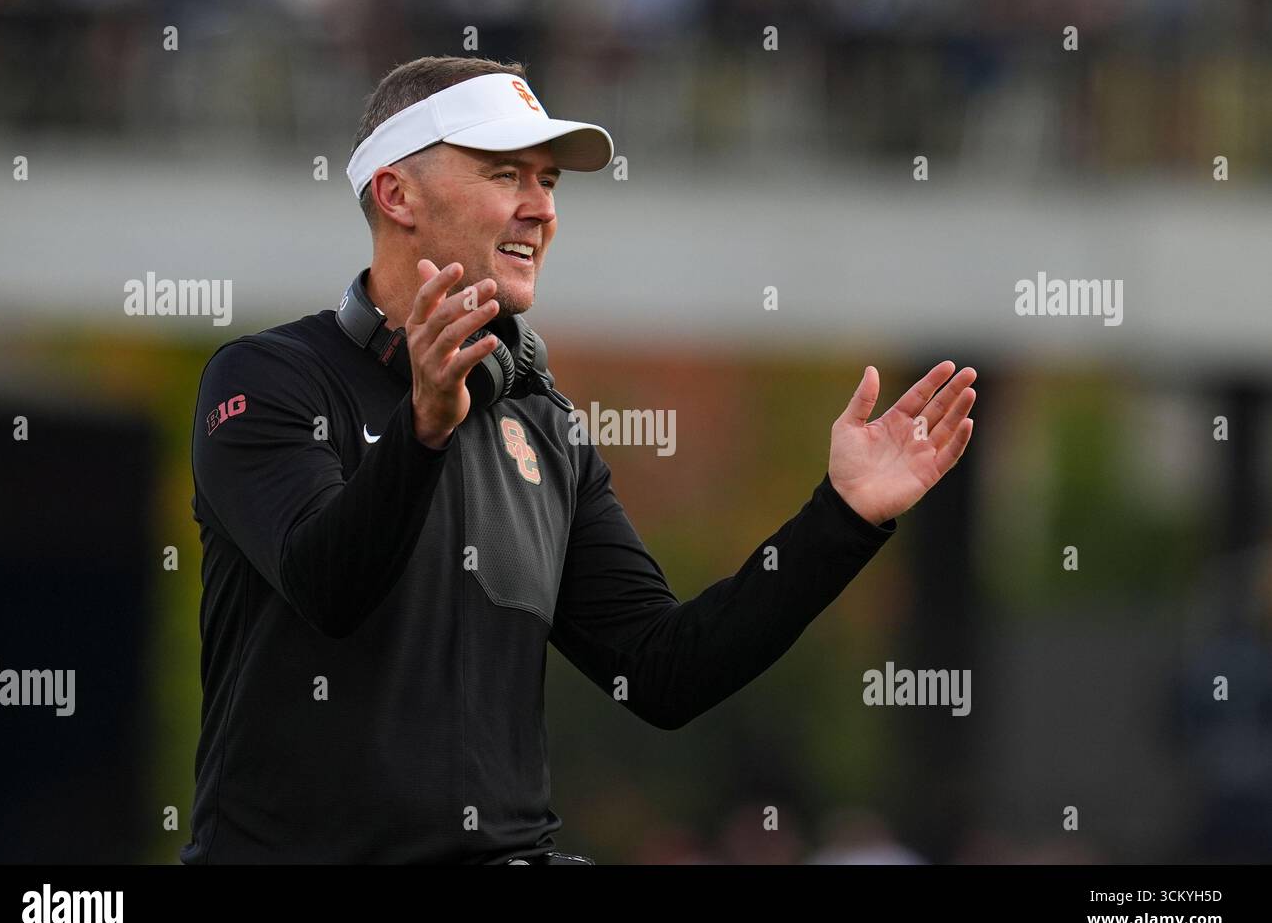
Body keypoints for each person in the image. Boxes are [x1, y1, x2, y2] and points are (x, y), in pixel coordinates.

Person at [181, 55, 977, 864]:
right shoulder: (264, 379)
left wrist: (840, 519)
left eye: (550, 183)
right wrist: (424, 430)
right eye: (505, 174)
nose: (539, 210)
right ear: (396, 194)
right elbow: (328, 586)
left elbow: (665, 672)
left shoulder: (540, 421)